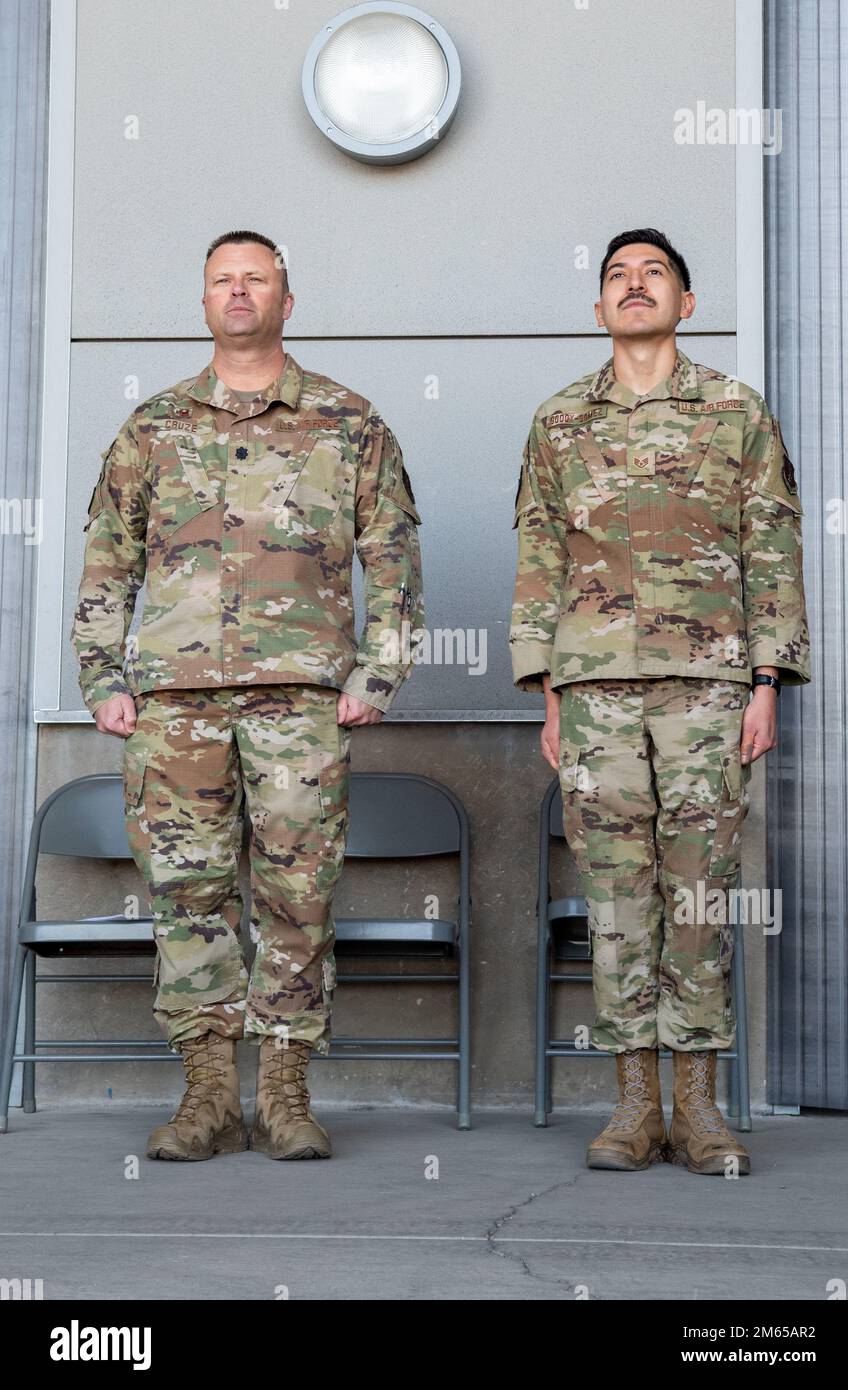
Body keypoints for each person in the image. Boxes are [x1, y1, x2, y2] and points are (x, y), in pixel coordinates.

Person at [72, 230, 423, 1161]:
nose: (239, 293)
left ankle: (287, 1094)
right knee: (186, 893)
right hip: (171, 705)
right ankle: (206, 1097)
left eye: (256, 279)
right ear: (202, 303)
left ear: (286, 300)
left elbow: (393, 557)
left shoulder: (349, 424)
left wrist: (375, 674)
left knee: (297, 893)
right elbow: (107, 557)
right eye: (222, 281)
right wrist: (103, 678)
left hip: (301, 704)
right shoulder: (152, 427)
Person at [510, 228, 809, 1176]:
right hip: (594, 691)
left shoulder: (735, 413)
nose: (634, 287)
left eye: (654, 275)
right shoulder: (559, 422)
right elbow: (539, 560)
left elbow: (773, 551)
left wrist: (768, 682)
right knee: (616, 896)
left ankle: (700, 1106)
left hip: (710, 689)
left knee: (699, 893)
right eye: (616, 277)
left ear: (686, 302)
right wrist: (548, 693)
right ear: (598, 309)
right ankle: (634, 1104)